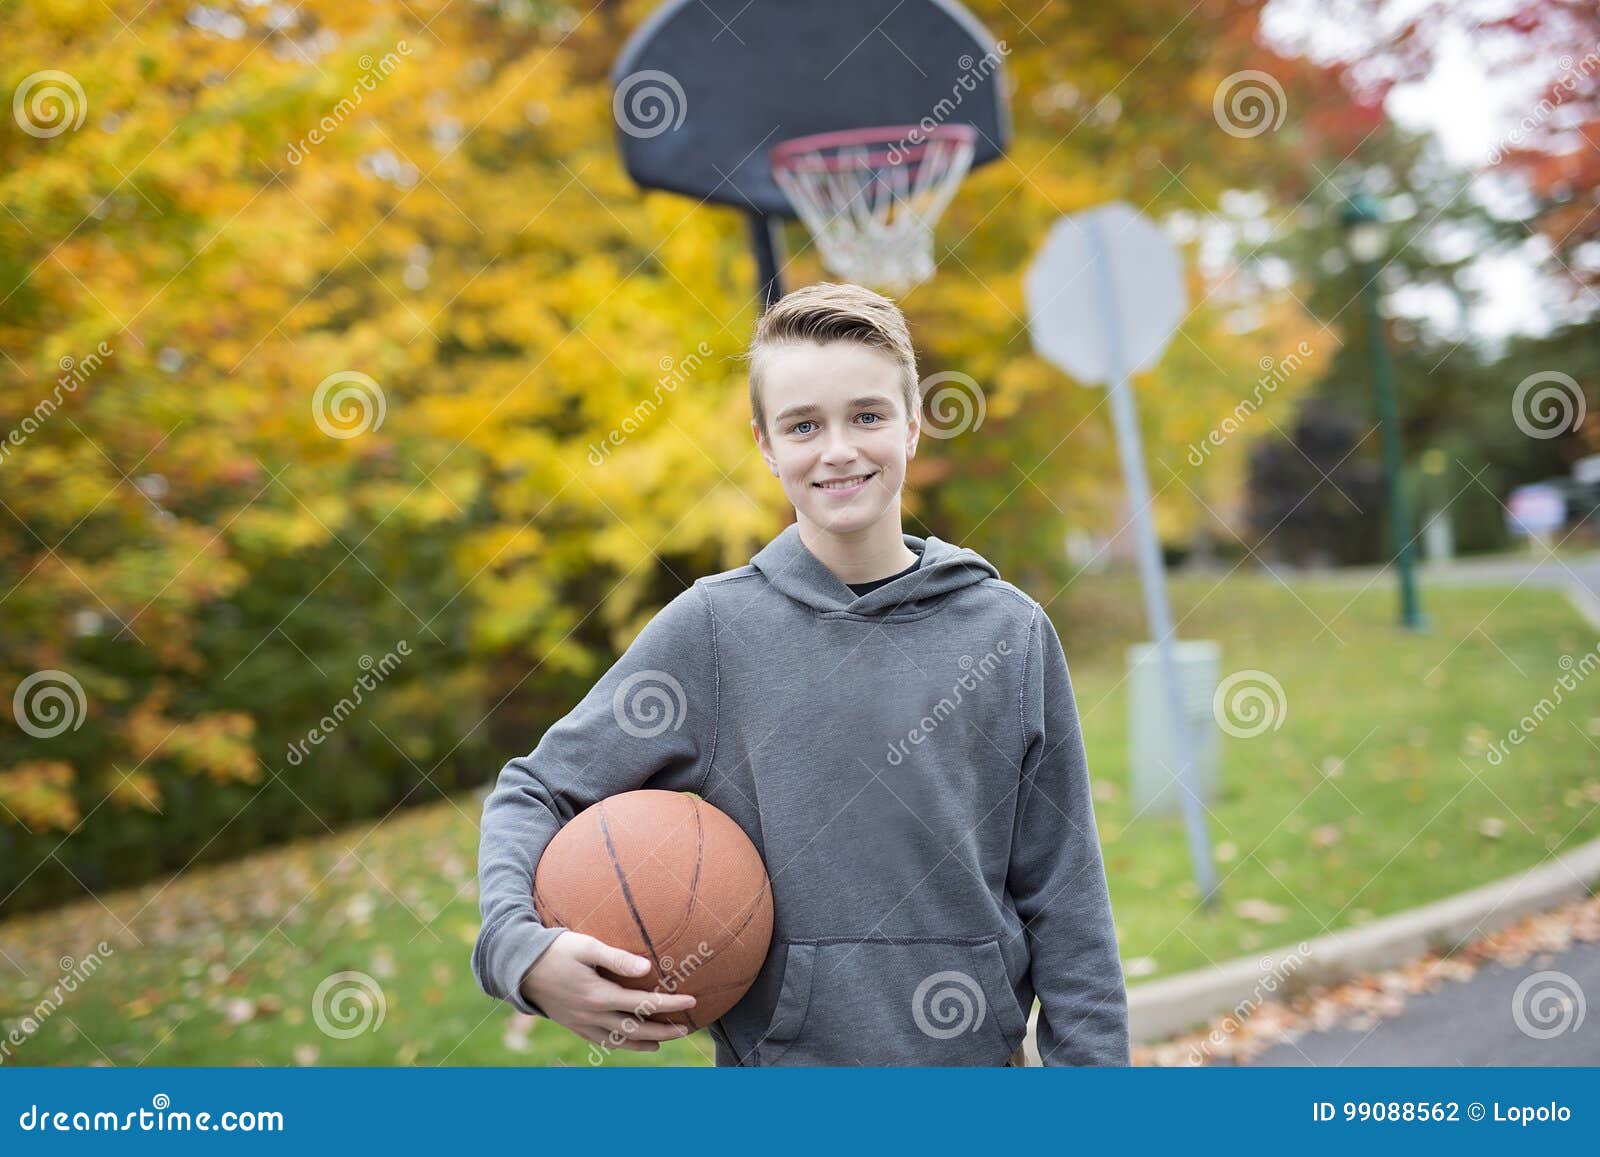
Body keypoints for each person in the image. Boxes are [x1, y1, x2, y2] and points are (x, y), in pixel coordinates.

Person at [472, 282, 1129, 1066]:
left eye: (868, 415)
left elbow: (1068, 902)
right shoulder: (714, 632)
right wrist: (520, 952)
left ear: (914, 426)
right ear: (766, 445)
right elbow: (534, 789)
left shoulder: (1007, 633)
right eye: (804, 425)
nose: (838, 448)